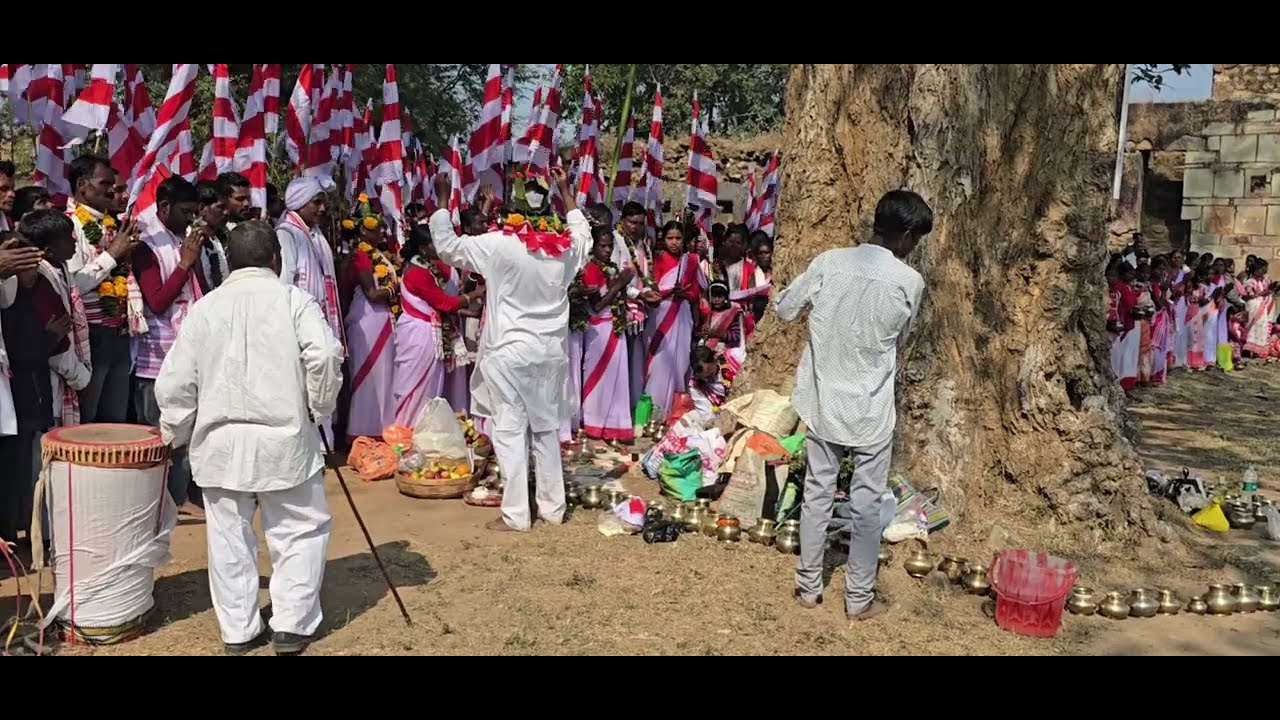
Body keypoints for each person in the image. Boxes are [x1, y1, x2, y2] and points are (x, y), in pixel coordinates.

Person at [154, 220, 344, 656]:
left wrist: (175, 430)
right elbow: (326, 354)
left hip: (219, 443)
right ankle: (292, 625)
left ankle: (239, 630)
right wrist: (319, 408)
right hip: (286, 440)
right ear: (276, 260)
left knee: (228, 538)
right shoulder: (294, 300)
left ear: (231, 263)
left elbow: (176, 381)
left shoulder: (204, 308)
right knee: (298, 529)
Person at [775, 189, 931, 621]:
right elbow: (901, 334)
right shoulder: (908, 282)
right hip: (870, 407)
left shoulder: (829, 262)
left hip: (825, 400)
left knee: (817, 493)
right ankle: (858, 599)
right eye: (915, 241)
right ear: (904, 235)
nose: (912, 250)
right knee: (865, 502)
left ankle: (809, 587)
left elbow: (786, 309)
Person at [427, 166, 591, 532]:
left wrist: (441, 202)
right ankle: (552, 509)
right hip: (548, 353)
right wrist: (566, 192)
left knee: (511, 430)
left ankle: (517, 515)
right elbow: (584, 235)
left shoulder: (498, 244)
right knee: (546, 430)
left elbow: (448, 247)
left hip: (510, 352)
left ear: (511, 210)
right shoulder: (563, 248)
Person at [132, 176, 211, 516]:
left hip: (189, 356)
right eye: (185, 211)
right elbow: (157, 301)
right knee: (160, 437)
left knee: (187, 436)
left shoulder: (184, 239)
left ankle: (177, 501)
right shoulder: (147, 243)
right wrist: (184, 262)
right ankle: (158, 507)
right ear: (163, 208)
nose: (191, 219)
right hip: (156, 361)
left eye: (195, 212)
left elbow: (203, 295)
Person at [64, 155, 141, 424]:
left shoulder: (109, 224)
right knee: (87, 423)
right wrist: (112, 255)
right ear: (82, 186)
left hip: (117, 331)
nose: (112, 189)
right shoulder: (69, 224)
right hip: (90, 337)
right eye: (105, 183)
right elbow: (73, 285)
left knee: (114, 423)